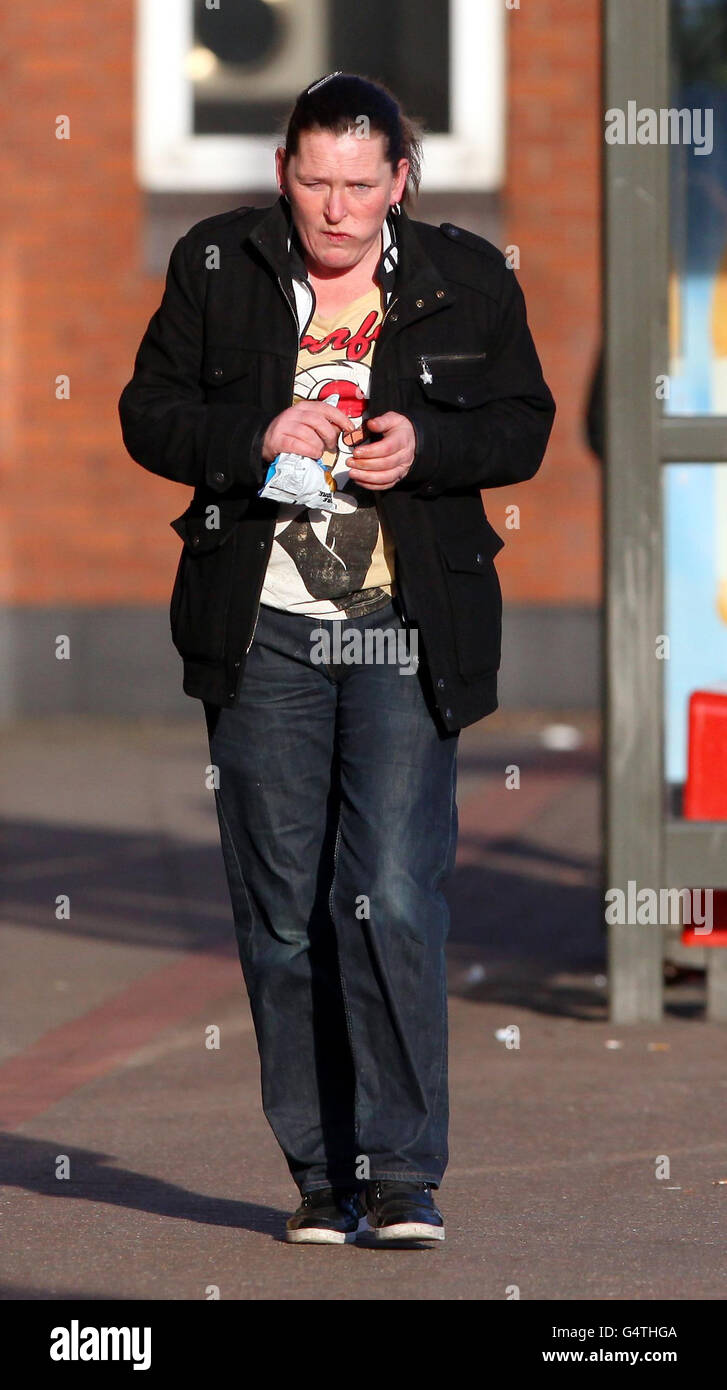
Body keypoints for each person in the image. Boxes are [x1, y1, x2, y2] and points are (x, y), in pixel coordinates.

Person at [118, 72, 555, 1246]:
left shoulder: (466, 277)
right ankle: (324, 1174)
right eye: (314, 180)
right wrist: (255, 433)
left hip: (402, 626)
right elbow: (147, 413)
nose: (335, 208)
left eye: (360, 185)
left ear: (400, 180)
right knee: (282, 910)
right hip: (260, 629)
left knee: (396, 896)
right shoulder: (219, 264)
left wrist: (427, 446)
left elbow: (524, 423)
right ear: (283, 171)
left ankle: (402, 1173)